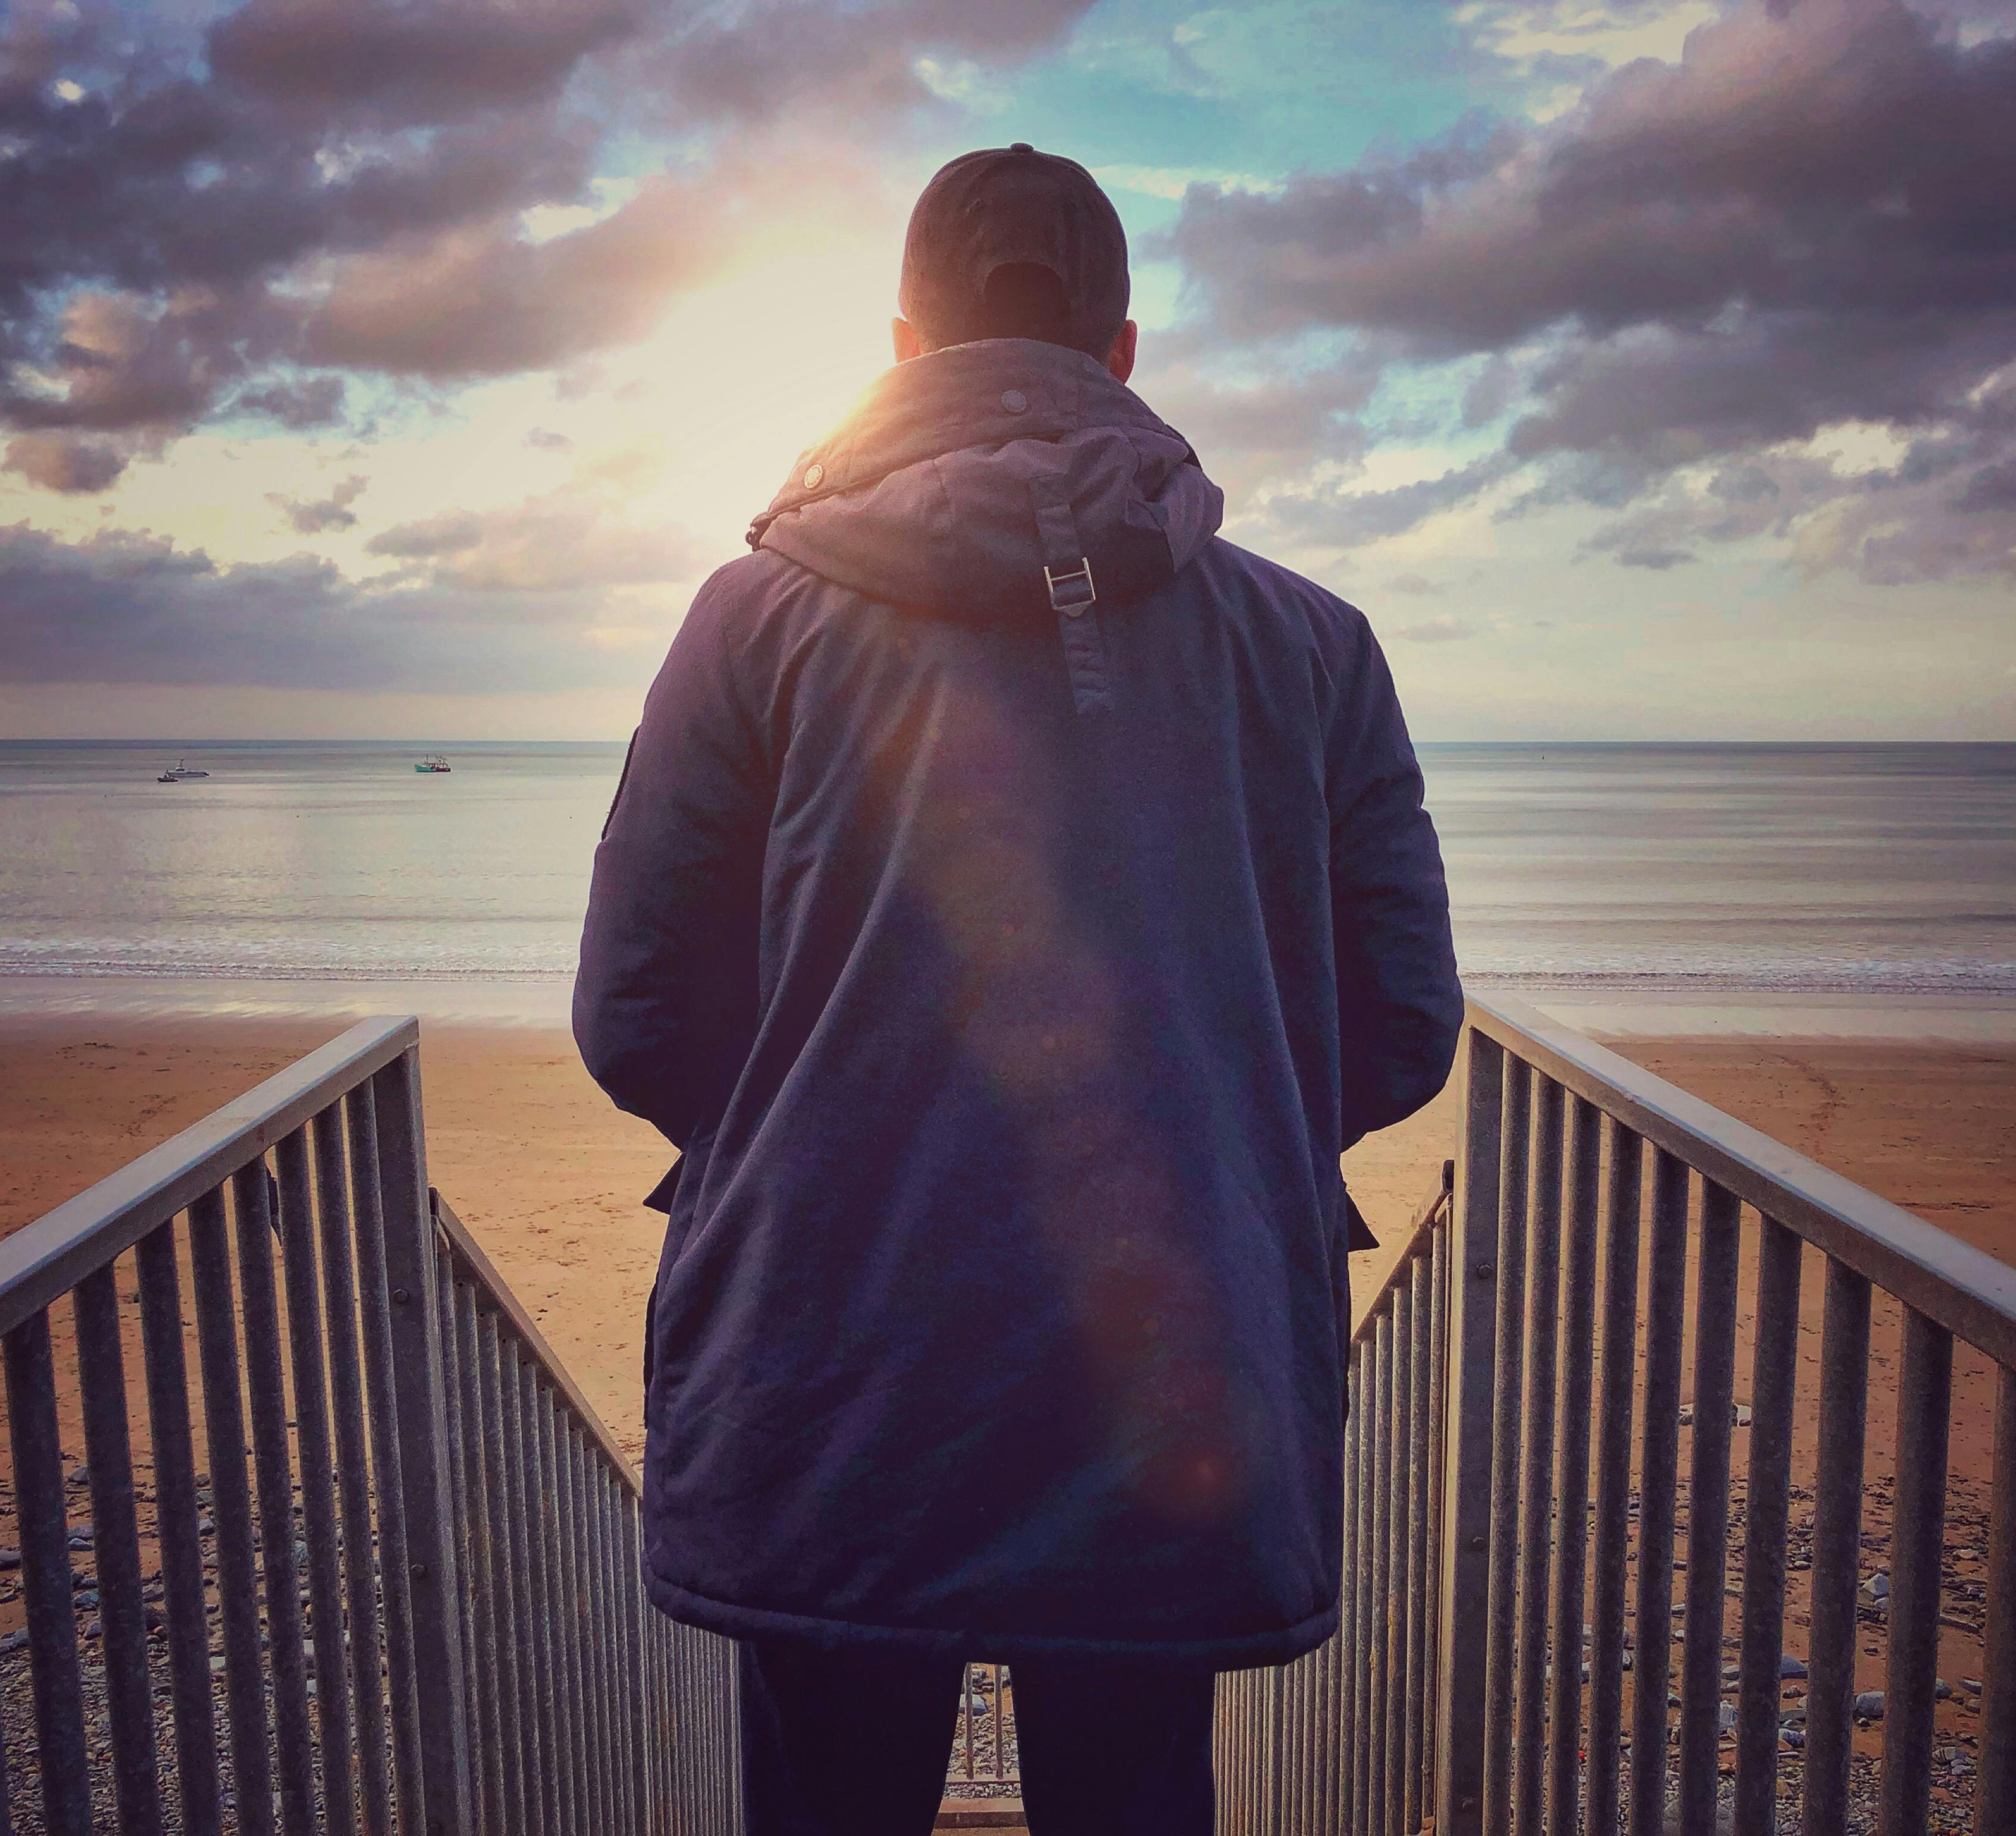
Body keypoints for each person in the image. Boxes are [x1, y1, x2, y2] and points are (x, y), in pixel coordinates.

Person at [574, 143, 1461, 1836]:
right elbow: (1403, 1021)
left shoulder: (752, 624)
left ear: (899, 345)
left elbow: (631, 1008)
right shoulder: (1314, 645)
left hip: (830, 1360)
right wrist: (1208, 1129)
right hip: (1174, 1355)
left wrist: (804, 1128)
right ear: (1124, 356)